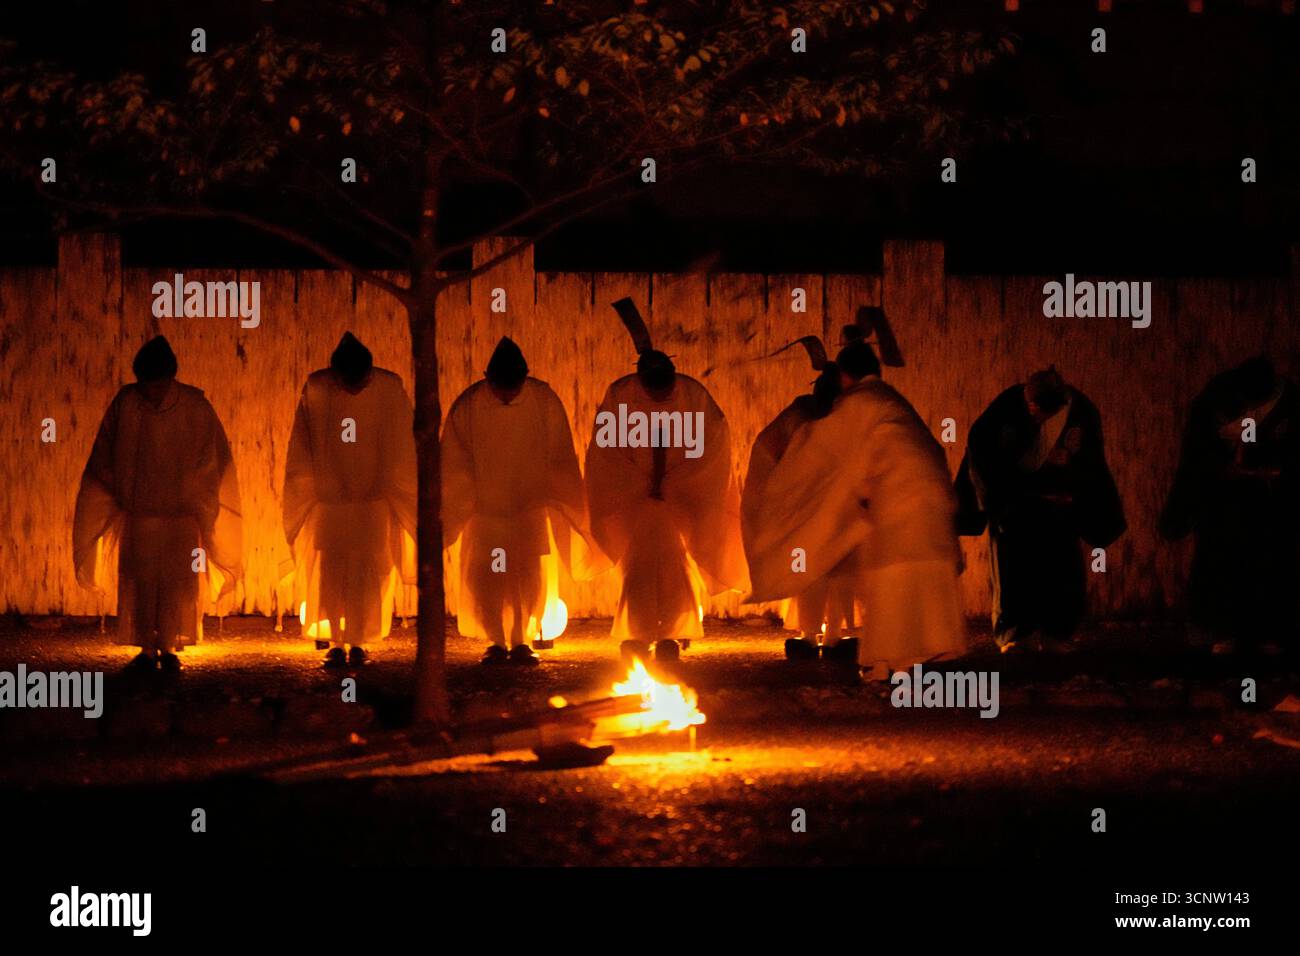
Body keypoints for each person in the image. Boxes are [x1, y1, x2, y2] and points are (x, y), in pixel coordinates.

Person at [747, 328, 966, 680]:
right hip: (929, 500)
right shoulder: (892, 400)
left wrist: (785, 493)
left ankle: (891, 663)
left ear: (844, 377)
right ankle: (906, 658)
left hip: (898, 502)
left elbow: (821, 452)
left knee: (890, 578)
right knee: (914, 577)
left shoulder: (860, 403)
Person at [585, 299, 747, 662]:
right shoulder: (622, 395)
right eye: (652, 389)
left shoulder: (693, 396)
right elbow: (605, 447)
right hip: (634, 499)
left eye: (664, 389)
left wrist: (675, 484)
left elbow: (714, 445)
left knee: (675, 561)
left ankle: (673, 633)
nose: (659, 396)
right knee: (639, 564)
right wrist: (639, 484)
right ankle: (638, 633)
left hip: (681, 497)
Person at [73, 335, 243, 671]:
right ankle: (146, 648)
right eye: (145, 385)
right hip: (139, 516)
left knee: (176, 583)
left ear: (171, 379)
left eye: (157, 385)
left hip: (181, 517)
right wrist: (116, 496)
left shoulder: (195, 406)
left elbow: (214, 460)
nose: (151, 392)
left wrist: (200, 503)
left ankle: (169, 644)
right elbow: (104, 457)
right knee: (140, 580)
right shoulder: (127, 402)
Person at [442, 336, 606, 666]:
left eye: (512, 386)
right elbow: (454, 459)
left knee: (527, 577)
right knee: (487, 579)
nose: (506, 395)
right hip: (485, 511)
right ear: (487, 377)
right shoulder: (470, 404)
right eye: (500, 387)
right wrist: (463, 500)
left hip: (529, 508)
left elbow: (560, 454)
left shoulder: (543, 400)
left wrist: (558, 497)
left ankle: (521, 637)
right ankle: (497, 640)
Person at [955, 367, 1125, 653]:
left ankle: (1057, 632)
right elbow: (982, 452)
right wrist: (999, 502)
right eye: (1034, 410)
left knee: (1061, 570)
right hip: (1015, 503)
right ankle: (1016, 633)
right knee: (1013, 570)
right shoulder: (1007, 407)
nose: (1037, 417)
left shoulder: (1080, 413)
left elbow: (1091, 462)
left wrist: (1068, 467)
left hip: (1059, 505)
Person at [283, 332, 416, 668]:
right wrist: (309, 492)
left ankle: (358, 639)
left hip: (373, 502)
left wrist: (396, 492)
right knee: (332, 572)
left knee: (369, 573)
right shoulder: (317, 388)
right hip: (331, 504)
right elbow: (302, 447)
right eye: (347, 380)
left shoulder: (388, 389)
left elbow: (402, 445)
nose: (353, 388)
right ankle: (338, 638)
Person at [1159, 357, 1300, 655]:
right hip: (1223, 503)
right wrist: (1221, 469)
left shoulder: (1288, 404)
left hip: (1270, 504)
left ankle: (1266, 632)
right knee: (1222, 562)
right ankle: (1221, 629)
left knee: (1269, 563)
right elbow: (1197, 453)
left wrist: (1274, 473)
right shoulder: (1215, 400)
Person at [741, 336, 858, 663]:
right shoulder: (799, 415)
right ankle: (811, 635)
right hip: (806, 511)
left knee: (837, 574)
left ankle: (835, 635)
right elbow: (768, 452)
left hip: (837, 510)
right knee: (814, 574)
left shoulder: (848, 416)